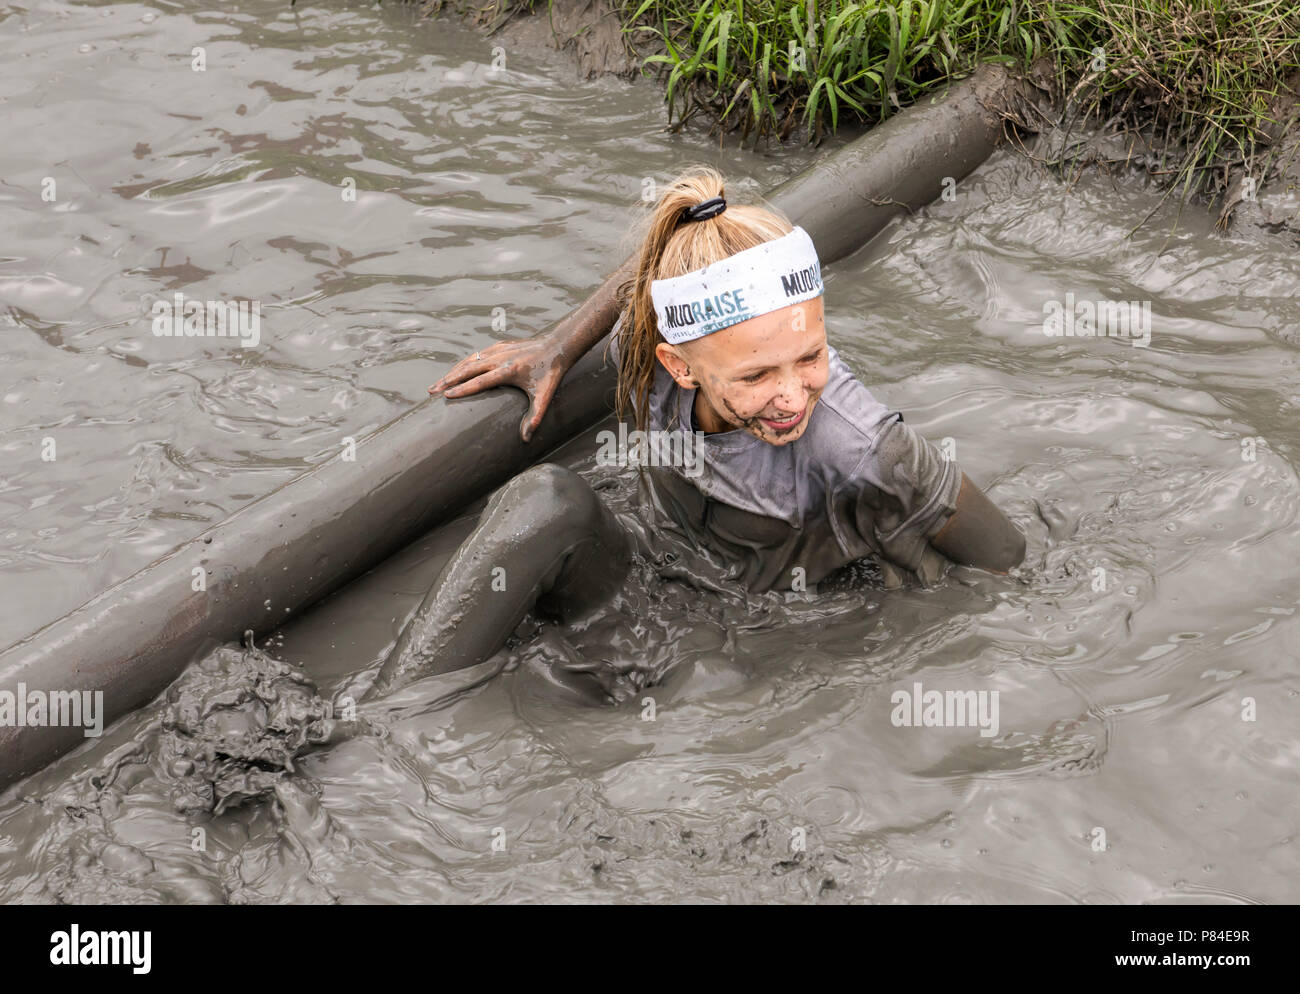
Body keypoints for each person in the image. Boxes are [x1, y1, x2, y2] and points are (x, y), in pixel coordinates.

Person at [364, 166, 1024, 700]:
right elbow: (648, 272)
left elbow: (1007, 559)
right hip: (645, 570)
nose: (793, 394)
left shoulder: (860, 445)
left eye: (811, 356)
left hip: (737, 633)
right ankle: (377, 722)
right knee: (546, 502)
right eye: (758, 374)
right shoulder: (648, 341)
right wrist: (557, 346)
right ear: (679, 366)